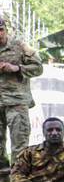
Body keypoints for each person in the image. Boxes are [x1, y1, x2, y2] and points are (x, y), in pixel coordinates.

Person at [0, 116, 64, 182]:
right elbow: (16, 173)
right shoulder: (30, 152)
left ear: (63, 131)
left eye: (58, 130)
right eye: (50, 130)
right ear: (43, 132)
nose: (54, 133)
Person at [0, 15, 42, 173]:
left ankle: (19, 181)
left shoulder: (19, 46)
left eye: (1, 30)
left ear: (5, 29)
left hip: (16, 102)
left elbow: (38, 68)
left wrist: (17, 68)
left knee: (19, 144)